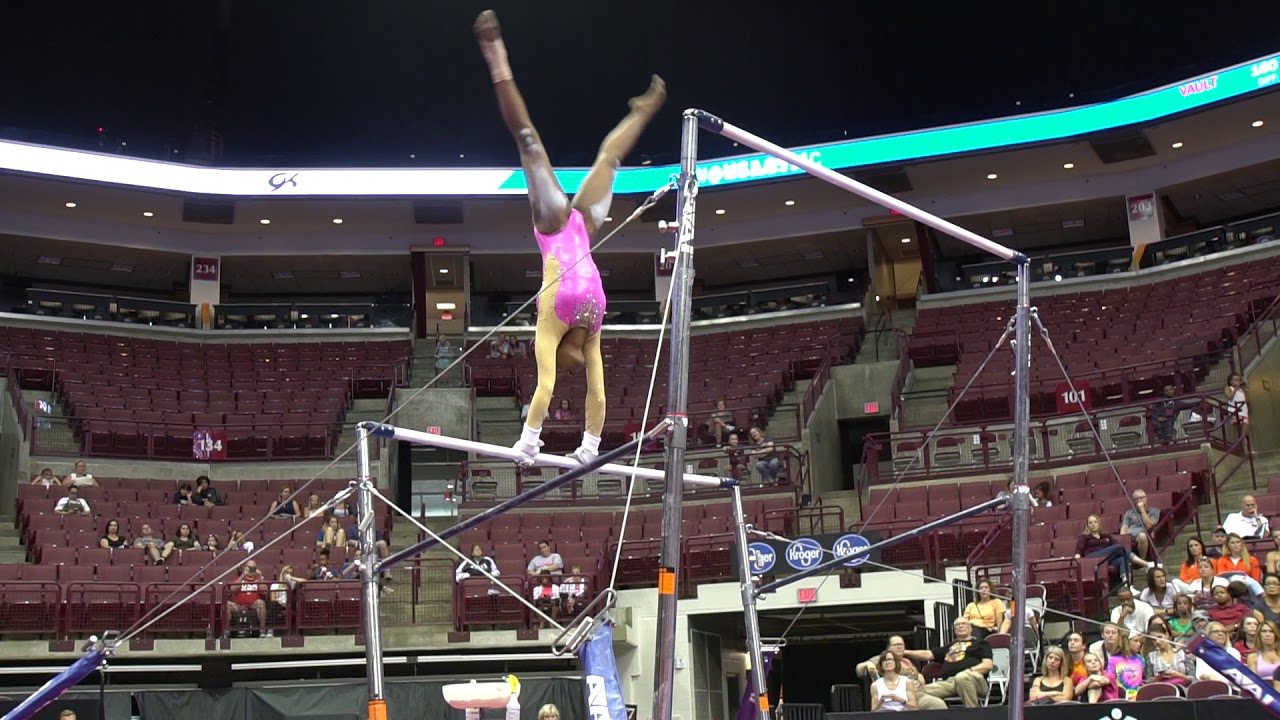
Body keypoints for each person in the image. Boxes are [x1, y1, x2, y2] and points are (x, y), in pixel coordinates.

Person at [474, 8, 666, 466]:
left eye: (565, 364)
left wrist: (554, 443)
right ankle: (641, 111)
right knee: (567, 149)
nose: (565, 366)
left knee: (561, 149)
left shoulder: (573, 327)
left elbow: (569, 391)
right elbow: (575, 392)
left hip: (568, 223)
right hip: (573, 224)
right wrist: (567, 445)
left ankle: (498, 59)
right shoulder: (576, 328)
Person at [902, 618, 992, 708]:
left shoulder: (981, 644)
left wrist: (968, 671)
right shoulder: (950, 646)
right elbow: (927, 654)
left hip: (974, 679)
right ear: (954, 630)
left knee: (962, 677)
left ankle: (973, 715)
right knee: (917, 691)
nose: (960, 626)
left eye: (963, 624)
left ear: (970, 628)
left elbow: (988, 665)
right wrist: (903, 652)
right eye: (957, 625)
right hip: (950, 682)